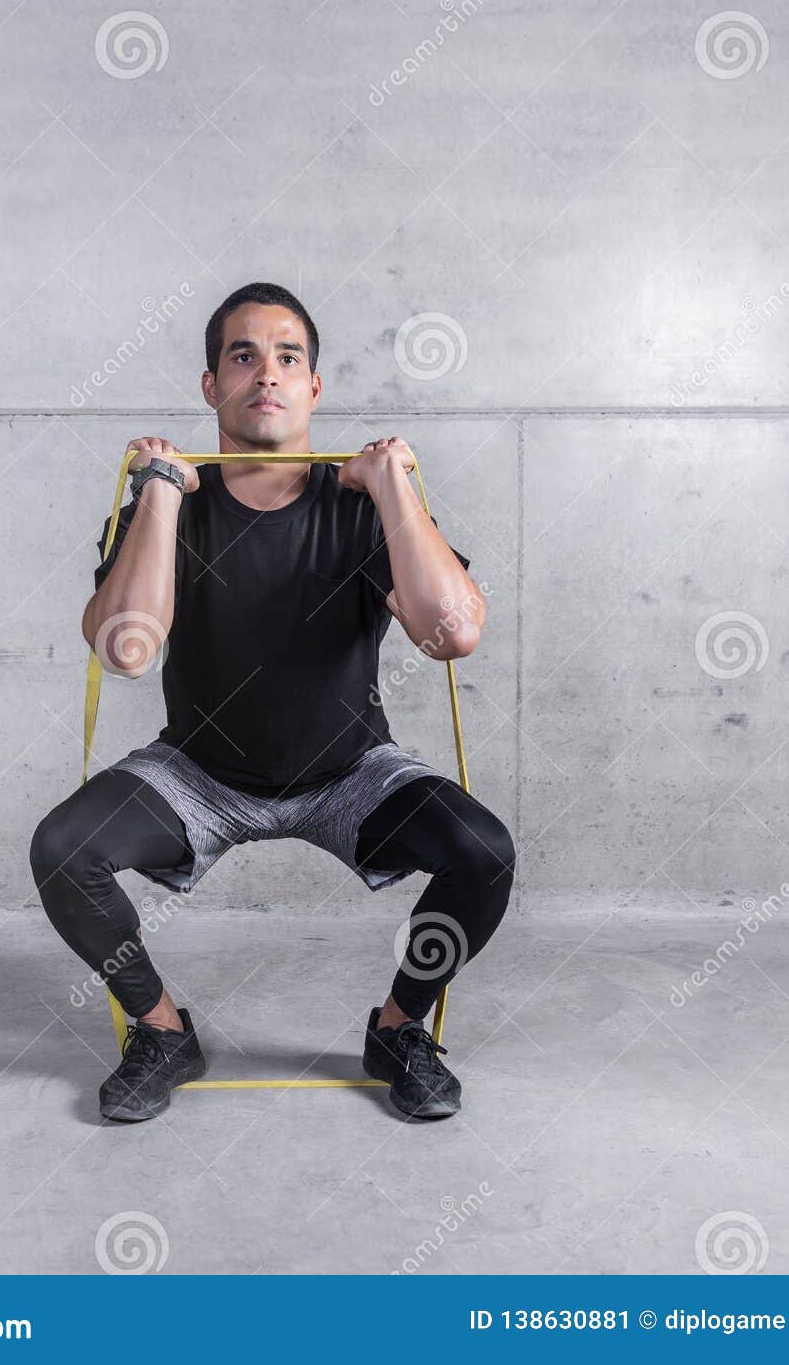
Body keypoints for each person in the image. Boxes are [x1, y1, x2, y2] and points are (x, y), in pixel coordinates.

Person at [30, 282, 515, 1123]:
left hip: (350, 771)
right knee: (63, 847)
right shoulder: (166, 506)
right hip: (200, 775)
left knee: (485, 852)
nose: (267, 373)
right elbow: (128, 651)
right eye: (242, 356)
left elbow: (452, 635)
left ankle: (398, 1031)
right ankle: (162, 1032)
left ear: (313, 389)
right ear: (210, 384)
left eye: (288, 357)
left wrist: (394, 485)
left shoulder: (362, 510)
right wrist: (159, 495)